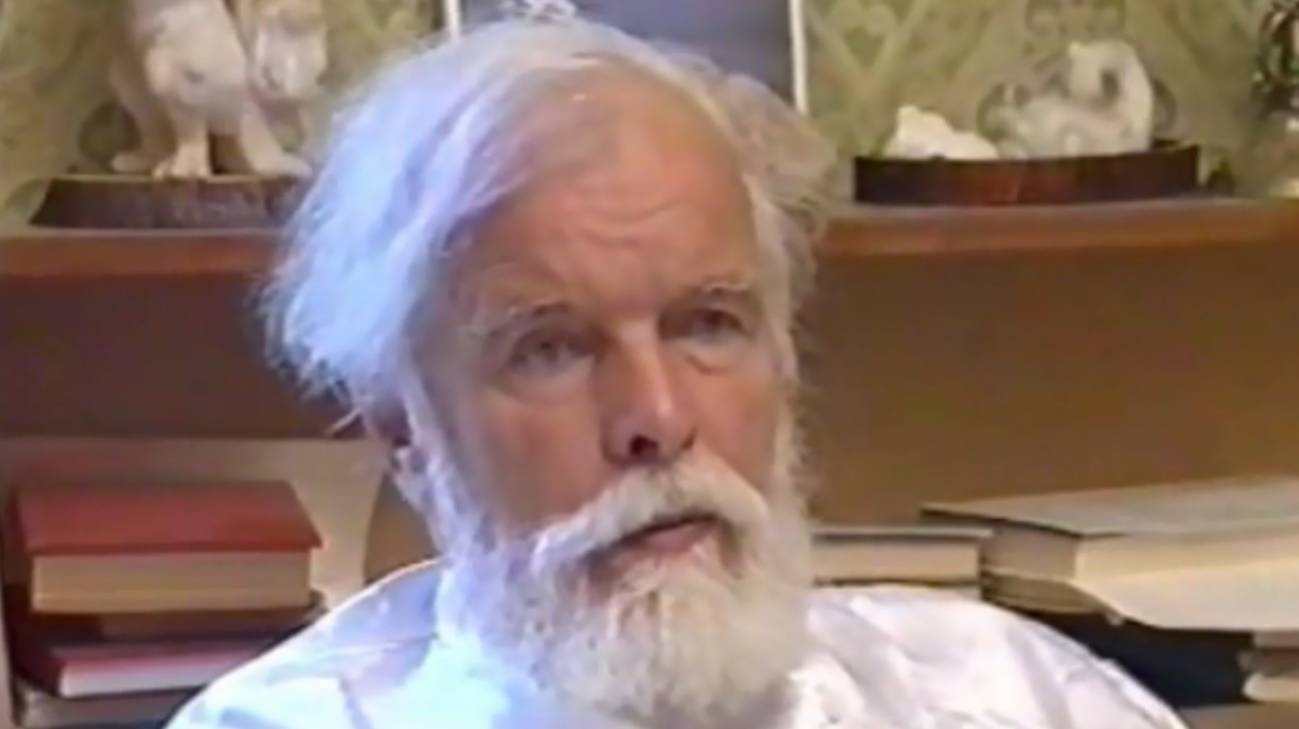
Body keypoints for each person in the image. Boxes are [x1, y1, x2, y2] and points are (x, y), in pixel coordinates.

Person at [167, 16, 1187, 729]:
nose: (656, 419)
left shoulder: (1018, 700)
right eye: (551, 349)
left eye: (708, 325)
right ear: (406, 433)